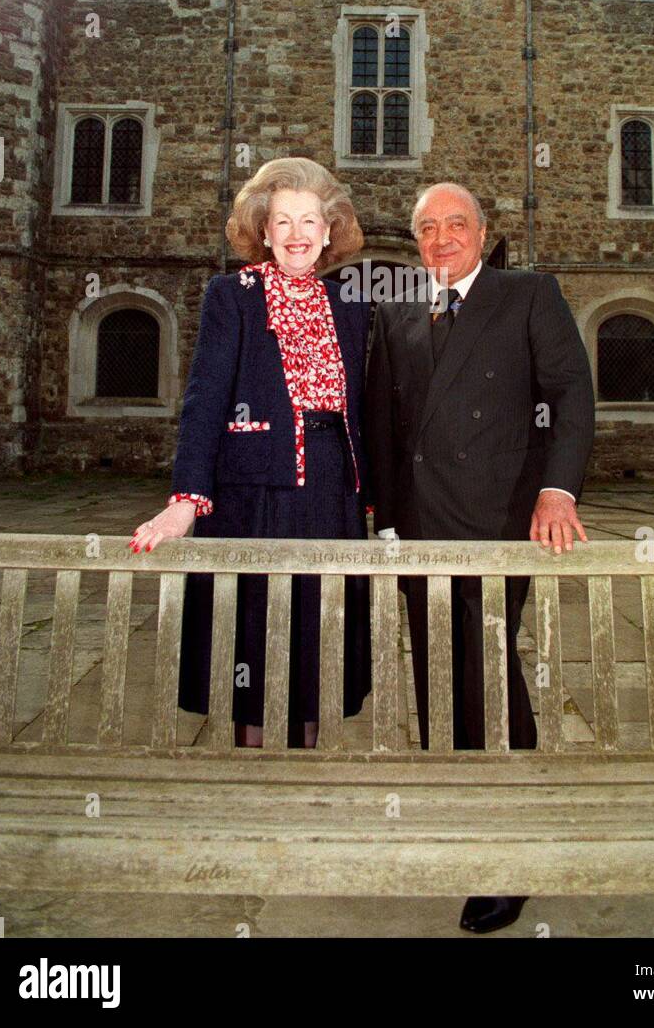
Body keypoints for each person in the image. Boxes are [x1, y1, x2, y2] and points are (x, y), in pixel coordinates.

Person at [366, 182, 595, 933]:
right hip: (417, 529)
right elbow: (382, 420)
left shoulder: (527, 294)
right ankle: (461, 812)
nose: (440, 239)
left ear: (482, 231)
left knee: (486, 672)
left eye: (454, 225)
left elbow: (570, 395)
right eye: (426, 228)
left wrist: (558, 491)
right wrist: (381, 516)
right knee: (438, 675)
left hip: (497, 521)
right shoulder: (399, 309)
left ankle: (512, 848)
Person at [129, 157, 371, 750]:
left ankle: (309, 758)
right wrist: (186, 499)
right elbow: (206, 397)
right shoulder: (232, 295)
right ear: (263, 231)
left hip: (331, 488)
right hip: (253, 488)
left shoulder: (352, 305)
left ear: (328, 230)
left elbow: (370, 409)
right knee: (255, 631)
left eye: (309, 221)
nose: (296, 234)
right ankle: (251, 761)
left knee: (320, 624)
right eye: (283, 221)